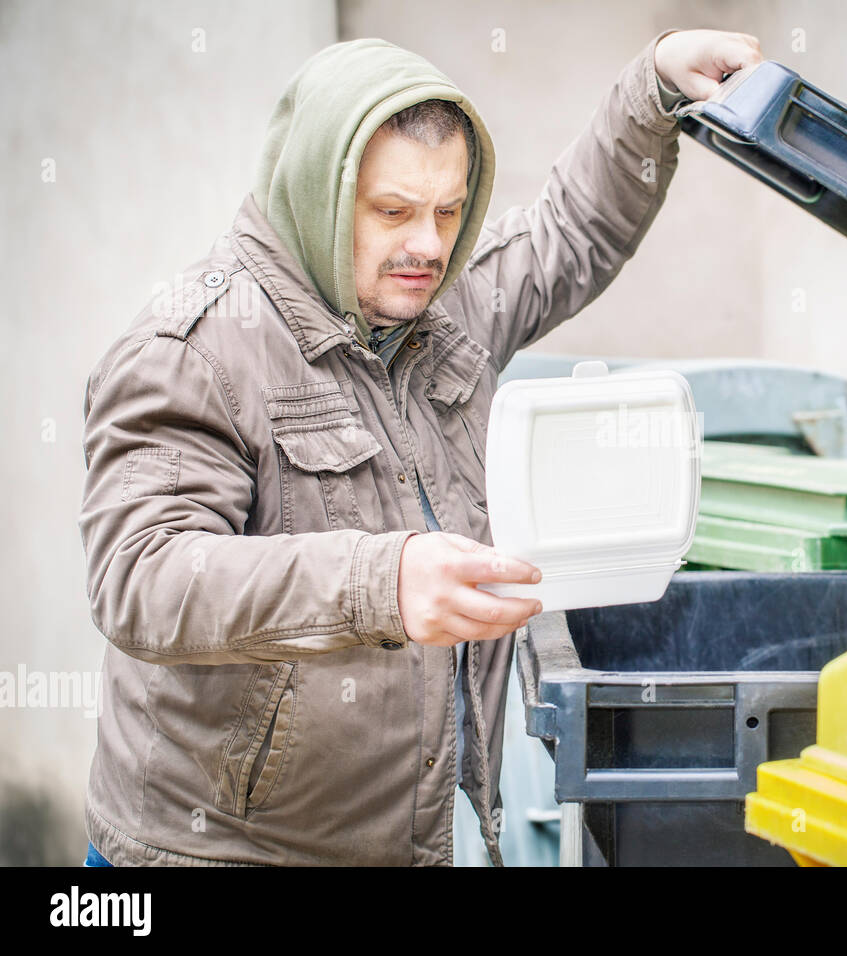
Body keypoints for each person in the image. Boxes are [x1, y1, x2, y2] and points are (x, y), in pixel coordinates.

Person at [77, 27, 763, 866]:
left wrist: (652, 88)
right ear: (315, 196)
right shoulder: (194, 349)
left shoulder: (441, 310)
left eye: (448, 211)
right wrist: (380, 581)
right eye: (393, 212)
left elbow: (569, 229)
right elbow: (142, 577)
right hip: (217, 853)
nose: (430, 246)